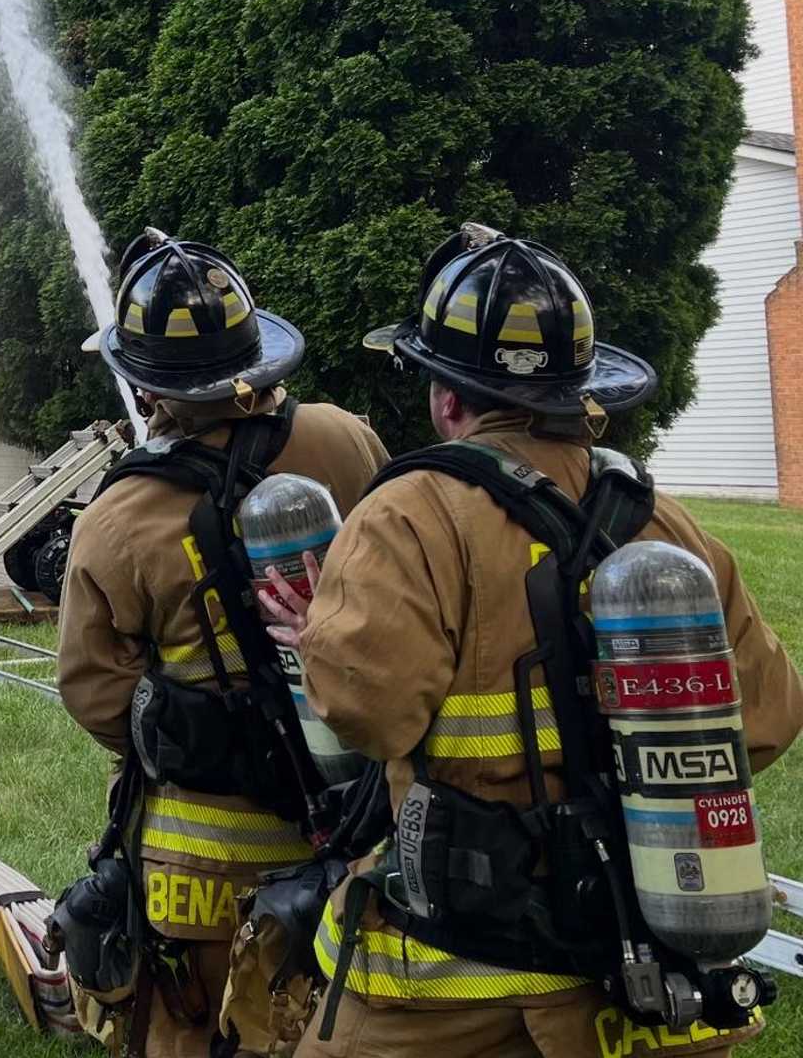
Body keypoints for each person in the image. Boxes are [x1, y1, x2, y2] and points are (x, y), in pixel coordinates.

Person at [262, 223, 803, 1058]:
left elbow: (371, 713)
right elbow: (767, 718)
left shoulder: (408, 513)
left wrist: (317, 641)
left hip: (456, 989)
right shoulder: (663, 522)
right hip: (650, 976)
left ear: (448, 397)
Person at [57, 231, 389, 1058]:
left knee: (193, 1038)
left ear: (145, 383)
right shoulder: (346, 441)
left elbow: (95, 692)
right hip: (355, 839)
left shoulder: (117, 517)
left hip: (196, 878)